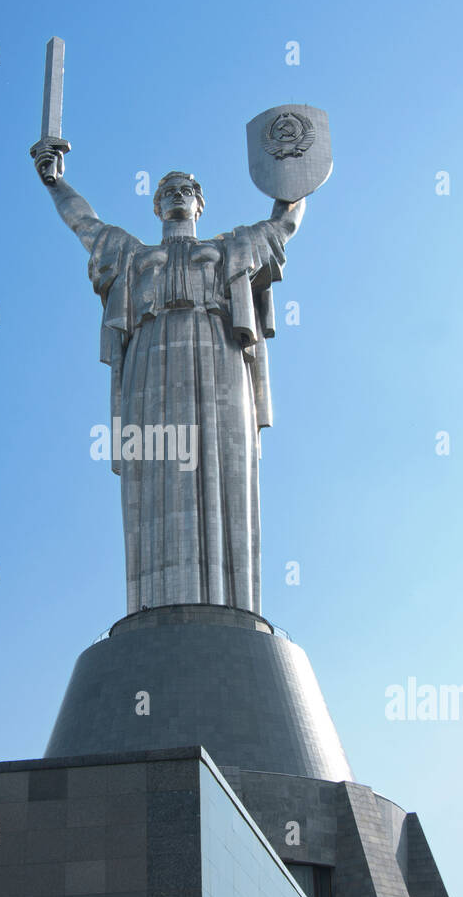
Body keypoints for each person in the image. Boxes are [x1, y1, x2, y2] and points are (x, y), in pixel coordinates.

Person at [34, 151, 306, 616]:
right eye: (169, 192)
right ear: (156, 207)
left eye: (187, 190)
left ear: (199, 205)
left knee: (225, 460)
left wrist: (296, 172)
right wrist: (55, 183)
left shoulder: (230, 247)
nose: (179, 195)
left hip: (218, 349)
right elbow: (86, 225)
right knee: (155, 470)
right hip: (151, 362)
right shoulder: (132, 254)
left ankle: (230, 607)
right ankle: (156, 607)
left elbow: (281, 226)